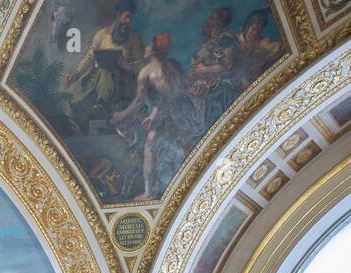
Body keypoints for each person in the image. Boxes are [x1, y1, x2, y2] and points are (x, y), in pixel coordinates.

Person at [111, 33, 199, 200]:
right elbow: (169, 95)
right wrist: (153, 115)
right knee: (187, 147)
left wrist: (121, 115)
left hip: (171, 112)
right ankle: (194, 188)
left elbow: (138, 102)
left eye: (148, 46)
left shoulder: (147, 71)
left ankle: (148, 193)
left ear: (153, 50)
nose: (145, 48)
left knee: (150, 146)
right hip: (185, 109)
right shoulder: (173, 66)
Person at [62, 0, 141, 129]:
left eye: (130, 18)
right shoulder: (102, 35)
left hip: (122, 79)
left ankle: (101, 104)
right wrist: (75, 75)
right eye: (126, 16)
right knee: (81, 95)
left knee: (106, 73)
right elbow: (89, 57)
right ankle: (96, 109)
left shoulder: (133, 37)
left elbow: (140, 64)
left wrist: (128, 66)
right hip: (97, 77)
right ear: (118, 15)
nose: (128, 21)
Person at [188, 7, 241, 129]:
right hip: (201, 89)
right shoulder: (207, 42)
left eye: (212, 18)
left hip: (217, 90)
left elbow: (227, 65)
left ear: (219, 23)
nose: (208, 20)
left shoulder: (225, 40)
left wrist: (205, 70)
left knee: (217, 121)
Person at [237, 8, 284, 88]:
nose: (252, 32)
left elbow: (280, 47)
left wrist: (267, 57)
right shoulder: (234, 39)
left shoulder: (262, 42)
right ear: (246, 25)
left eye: (257, 30)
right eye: (251, 28)